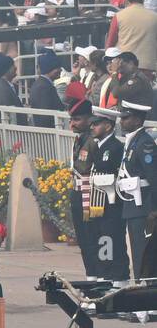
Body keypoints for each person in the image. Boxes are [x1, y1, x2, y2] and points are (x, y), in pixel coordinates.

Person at [115, 97, 157, 276]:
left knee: (143, 252)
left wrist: (154, 209)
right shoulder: (133, 140)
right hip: (133, 204)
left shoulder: (145, 143)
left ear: (138, 120)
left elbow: (154, 177)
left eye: (126, 117)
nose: (122, 121)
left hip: (144, 206)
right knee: (137, 252)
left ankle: (146, 288)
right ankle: (142, 283)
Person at [67, 98, 100, 279]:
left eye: (77, 119)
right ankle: (91, 275)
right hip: (78, 194)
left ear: (89, 119)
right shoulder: (80, 140)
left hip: (90, 195)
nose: (72, 124)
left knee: (91, 238)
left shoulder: (92, 141)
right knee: (83, 239)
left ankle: (95, 275)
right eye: (71, 120)